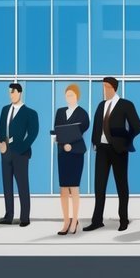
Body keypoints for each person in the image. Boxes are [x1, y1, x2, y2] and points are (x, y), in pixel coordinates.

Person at [85, 76, 140, 232]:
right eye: (102, 86)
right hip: (102, 149)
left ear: (113, 88)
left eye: (106, 86)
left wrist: (126, 141)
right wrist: (95, 143)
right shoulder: (101, 105)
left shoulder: (125, 105)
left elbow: (137, 126)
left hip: (119, 150)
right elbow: (97, 125)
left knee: (121, 185)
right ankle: (97, 220)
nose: (103, 90)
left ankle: (123, 219)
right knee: (99, 185)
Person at [0, 82, 39, 227]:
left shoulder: (30, 113)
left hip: (21, 153)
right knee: (7, 185)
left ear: (20, 93)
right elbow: (0, 129)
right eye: (9, 92)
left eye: (13, 92)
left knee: (22, 185)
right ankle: (8, 216)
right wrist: (0, 144)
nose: (11, 95)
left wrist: (21, 148)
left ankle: (24, 217)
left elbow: (33, 134)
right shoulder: (4, 109)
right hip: (5, 151)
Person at [52, 83, 89, 236]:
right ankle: (66, 220)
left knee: (73, 187)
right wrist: (61, 142)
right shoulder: (60, 112)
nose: (69, 98)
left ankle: (75, 220)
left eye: (71, 95)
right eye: (67, 95)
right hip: (62, 153)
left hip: (76, 153)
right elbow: (57, 130)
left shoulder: (82, 113)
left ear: (77, 96)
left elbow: (80, 130)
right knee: (63, 189)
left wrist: (69, 145)